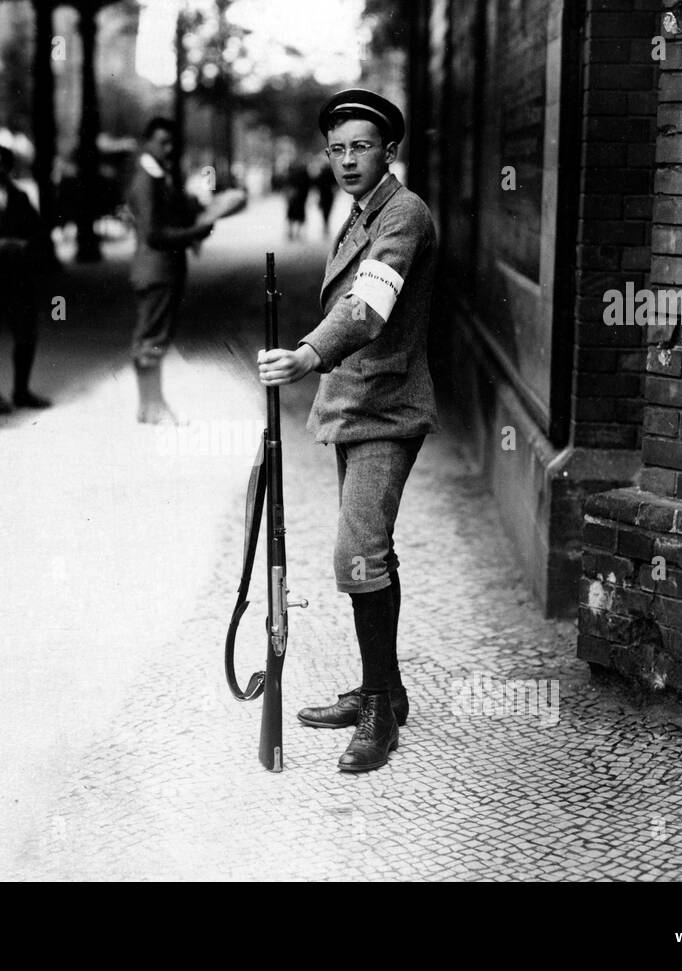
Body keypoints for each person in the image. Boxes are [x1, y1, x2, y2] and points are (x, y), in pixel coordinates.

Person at [257, 89, 438, 773]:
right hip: (356, 406)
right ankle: (382, 690)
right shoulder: (364, 210)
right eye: (336, 149)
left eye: (360, 146)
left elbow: (368, 307)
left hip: (388, 409)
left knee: (356, 554)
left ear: (388, 150)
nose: (346, 160)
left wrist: (306, 353)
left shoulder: (404, 214)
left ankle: (379, 715)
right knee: (370, 551)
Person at [127, 117, 213, 424]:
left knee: (153, 336)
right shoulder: (147, 179)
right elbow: (153, 233)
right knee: (151, 338)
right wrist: (194, 233)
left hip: (160, 269)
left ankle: (150, 405)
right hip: (156, 269)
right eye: (162, 142)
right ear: (147, 141)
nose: (168, 148)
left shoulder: (157, 176)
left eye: (171, 142)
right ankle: (153, 405)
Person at [0, 146, 52, 413]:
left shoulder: (21, 197)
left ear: (9, 167)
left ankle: (21, 390)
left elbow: (38, 233)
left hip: (17, 275)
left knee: (26, 333)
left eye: (2, 165)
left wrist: (22, 244)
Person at [284, 160, 310, 241]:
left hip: (294, 198)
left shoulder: (290, 174)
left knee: (292, 215)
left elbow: (286, 185)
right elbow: (308, 185)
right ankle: (296, 232)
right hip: (300, 199)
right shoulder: (304, 174)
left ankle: (291, 232)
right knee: (298, 215)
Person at [315, 161, 336, 237]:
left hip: (324, 195)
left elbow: (317, 185)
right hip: (328, 195)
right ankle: (326, 224)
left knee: (325, 211)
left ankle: (325, 224)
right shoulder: (331, 174)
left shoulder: (321, 174)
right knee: (327, 211)